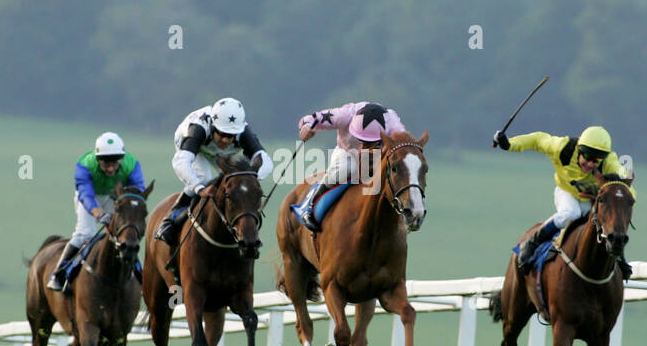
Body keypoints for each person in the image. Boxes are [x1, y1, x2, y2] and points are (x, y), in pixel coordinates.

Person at [492, 124, 634, 276]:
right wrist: (509, 144)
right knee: (570, 213)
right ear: (579, 150)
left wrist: (626, 192)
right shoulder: (562, 147)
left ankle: (619, 258)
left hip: (589, 200)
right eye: (587, 157)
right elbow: (538, 140)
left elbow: (624, 188)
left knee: (601, 221)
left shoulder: (609, 162)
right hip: (565, 192)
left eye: (596, 160)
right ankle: (533, 242)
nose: (591, 164)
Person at [152, 97, 273, 253]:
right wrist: (199, 188)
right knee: (205, 178)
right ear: (213, 127)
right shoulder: (198, 128)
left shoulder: (243, 132)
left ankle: (245, 229)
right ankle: (171, 219)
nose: (225, 139)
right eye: (222, 134)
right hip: (196, 147)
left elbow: (265, 160)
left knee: (237, 185)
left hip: (219, 154)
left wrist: (251, 177)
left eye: (230, 136)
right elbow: (181, 161)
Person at [47, 132, 147, 290]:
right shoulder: (84, 165)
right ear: (98, 159)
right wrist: (99, 214)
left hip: (115, 198)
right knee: (84, 234)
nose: (110, 168)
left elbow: (137, 190)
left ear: (121, 159)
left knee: (125, 235)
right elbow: (86, 195)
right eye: (106, 164)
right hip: (90, 198)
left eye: (114, 164)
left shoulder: (132, 164)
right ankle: (58, 273)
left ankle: (140, 275)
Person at [292, 101, 406, 232]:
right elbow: (312, 119)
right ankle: (310, 206)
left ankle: (404, 212)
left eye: (369, 142)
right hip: (347, 152)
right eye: (360, 139)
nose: (363, 146)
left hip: (377, 156)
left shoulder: (393, 125)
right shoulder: (344, 115)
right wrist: (306, 127)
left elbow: (405, 148)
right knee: (346, 168)